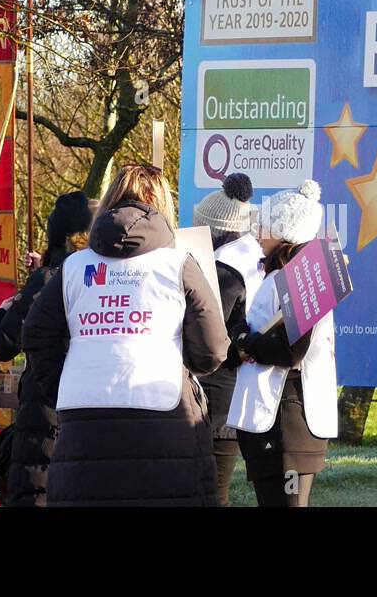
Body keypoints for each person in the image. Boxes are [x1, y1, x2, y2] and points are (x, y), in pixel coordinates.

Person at [22, 165, 229, 506]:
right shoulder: (178, 264)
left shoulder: (73, 267)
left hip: (82, 426)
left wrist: (69, 380)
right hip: (166, 421)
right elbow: (212, 350)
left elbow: (36, 334)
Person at [227, 180, 338, 507]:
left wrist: (250, 344)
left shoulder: (303, 278)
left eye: (265, 226)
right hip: (268, 424)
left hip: (288, 422)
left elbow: (290, 350)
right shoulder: (276, 277)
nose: (258, 233)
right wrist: (240, 342)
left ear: (286, 233)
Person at [0, 191, 93, 507]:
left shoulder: (48, 279)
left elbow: (4, 342)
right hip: (90, 401)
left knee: (36, 492)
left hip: (46, 402)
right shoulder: (100, 277)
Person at [192, 173, 263, 506]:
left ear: (212, 231)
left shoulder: (224, 271)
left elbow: (208, 331)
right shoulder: (254, 257)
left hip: (218, 394)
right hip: (242, 392)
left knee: (210, 491)